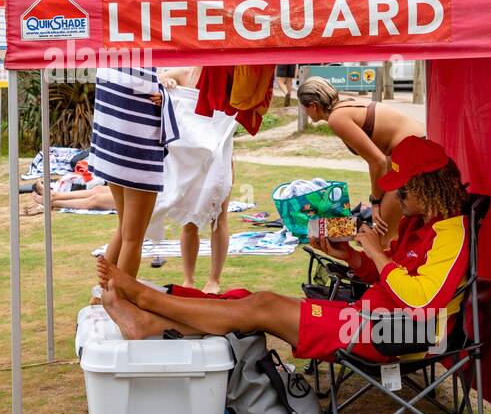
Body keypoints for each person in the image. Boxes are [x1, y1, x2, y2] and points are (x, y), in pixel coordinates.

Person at [96, 136, 470, 365]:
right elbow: (396, 280)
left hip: (402, 333)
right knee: (248, 301)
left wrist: (376, 253)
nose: (396, 198)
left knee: (264, 307)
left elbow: (421, 300)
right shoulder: (420, 225)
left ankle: (145, 296)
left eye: (403, 190)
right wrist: (354, 258)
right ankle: (147, 321)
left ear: (428, 188)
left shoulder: (451, 233)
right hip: (375, 318)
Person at [297, 75, 425, 244]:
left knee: (380, 240)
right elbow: (384, 159)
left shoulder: (337, 118)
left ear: (313, 106)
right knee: (390, 235)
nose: (304, 111)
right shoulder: (347, 106)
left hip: (414, 160)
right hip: (416, 155)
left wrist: (376, 202)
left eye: (303, 107)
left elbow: (378, 161)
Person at [90, 62, 179, 286]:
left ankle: (100, 295)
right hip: (137, 154)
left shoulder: (107, 59)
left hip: (111, 150)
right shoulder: (141, 71)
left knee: (124, 228)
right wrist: (164, 94)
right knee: (133, 237)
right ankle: (120, 301)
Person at [158, 66, 231, 293]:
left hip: (218, 156)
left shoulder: (226, 76)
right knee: (189, 221)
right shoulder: (185, 73)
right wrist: (166, 82)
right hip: (190, 160)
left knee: (218, 217)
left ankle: (214, 280)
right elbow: (156, 80)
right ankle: (188, 279)